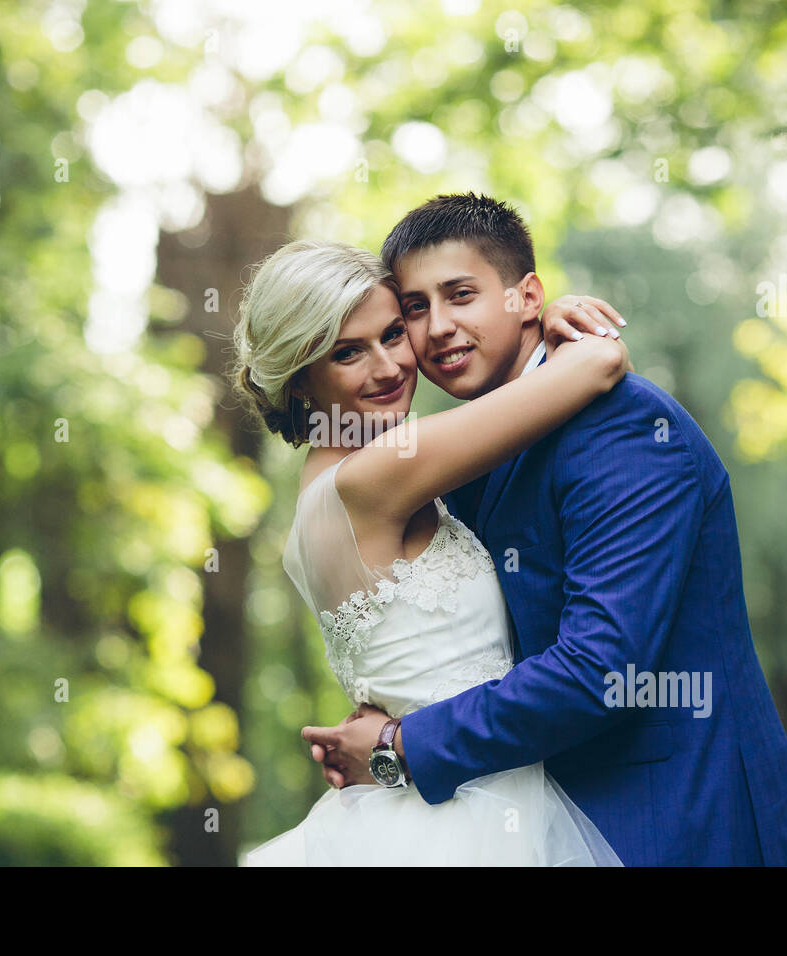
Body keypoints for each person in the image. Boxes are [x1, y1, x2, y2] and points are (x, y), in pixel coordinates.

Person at [299, 193, 787, 866]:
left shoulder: (625, 429)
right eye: (415, 307)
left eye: (461, 294)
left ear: (526, 296)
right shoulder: (467, 453)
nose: (437, 328)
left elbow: (599, 670)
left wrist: (403, 746)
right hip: (536, 819)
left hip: (679, 819)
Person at [231, 236, 629, 865]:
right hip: (465, 819)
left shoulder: (326, 486)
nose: (388, 368)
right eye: (347, 353)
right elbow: (598, 365)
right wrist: (547, 314)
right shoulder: (379, 474)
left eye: (393, 334)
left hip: (428, 798)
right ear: (301, 377)